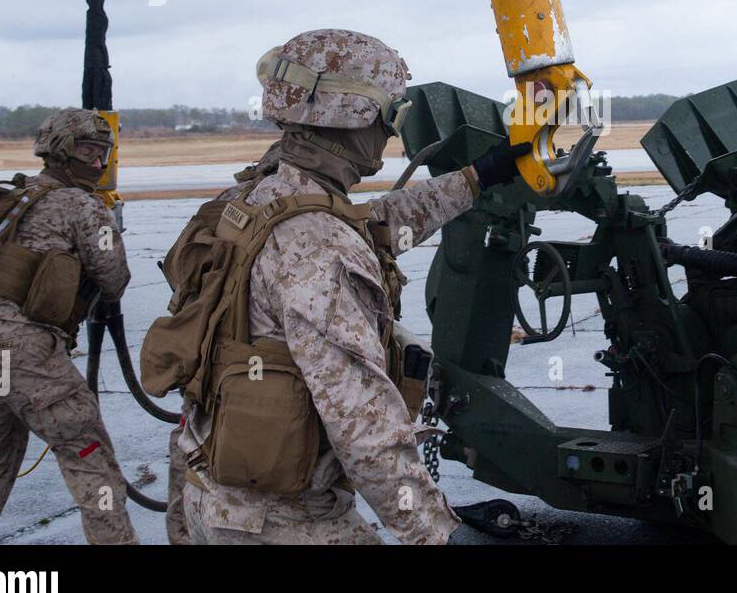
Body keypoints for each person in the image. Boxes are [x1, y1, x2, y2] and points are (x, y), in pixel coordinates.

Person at [172, 29, 525, 544]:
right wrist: (438, 534)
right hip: (285, 523)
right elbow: (363, 423)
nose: (392, 135)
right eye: (393, 116)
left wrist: (477, 178)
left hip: (210, 495)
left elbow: (375, 224)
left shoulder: (253, 198)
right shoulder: (319, 246)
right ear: (354, 117)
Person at [0, 108, 136, 544]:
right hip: (22, 349)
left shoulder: (15, 197)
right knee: (88, 454)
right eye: (87, 150)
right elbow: (115, 277)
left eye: (103, 152)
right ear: (61, 151)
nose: (97, 163)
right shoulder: (80, 205)